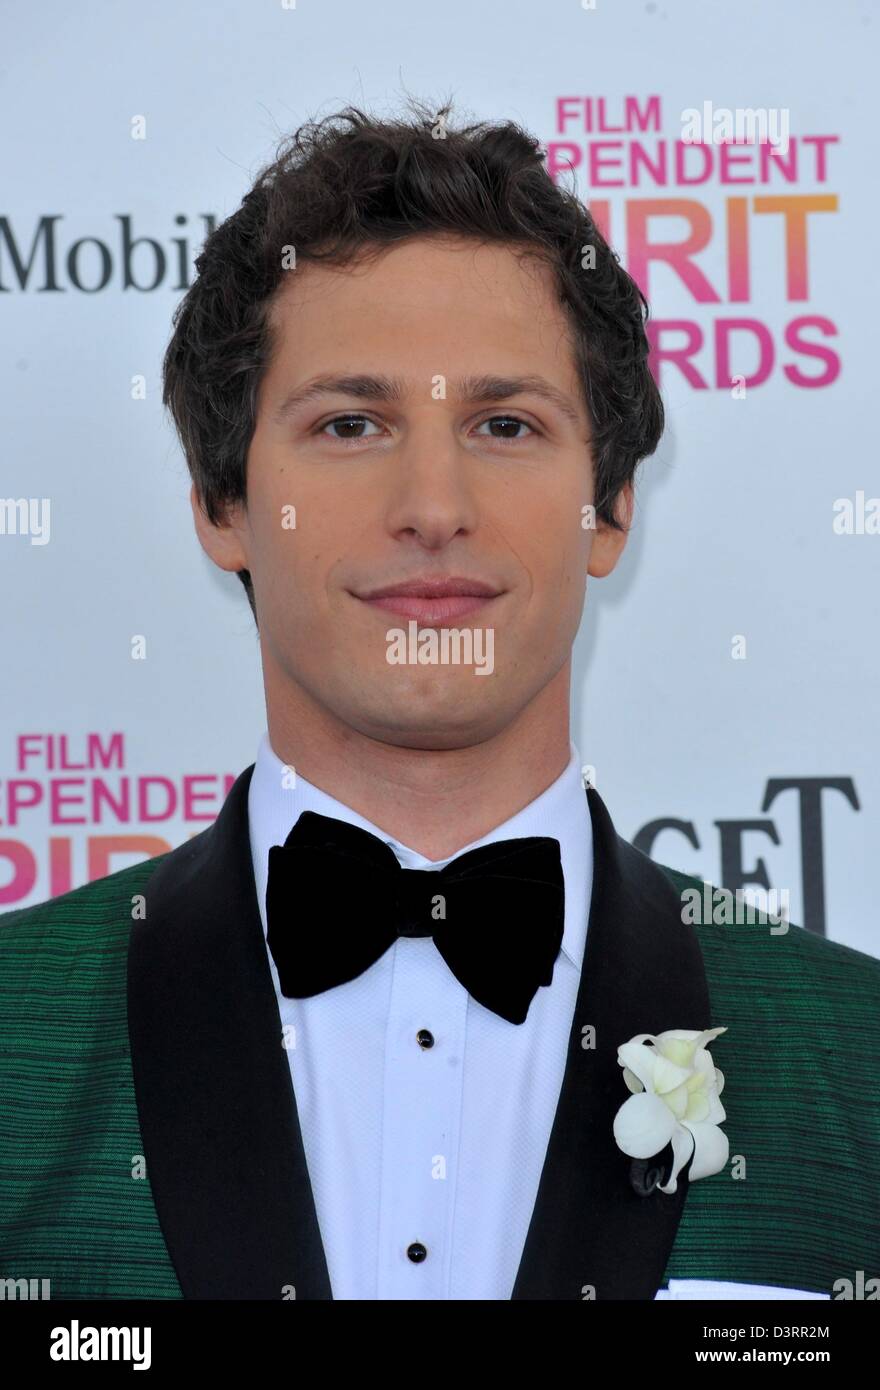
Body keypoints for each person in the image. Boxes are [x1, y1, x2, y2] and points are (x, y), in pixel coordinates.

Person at [1, 101, 877, 1302]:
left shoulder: (861, 1060)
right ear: (222, 501)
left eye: (504, 423)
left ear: (610, 507)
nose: (431, 503)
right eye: (350, 423)